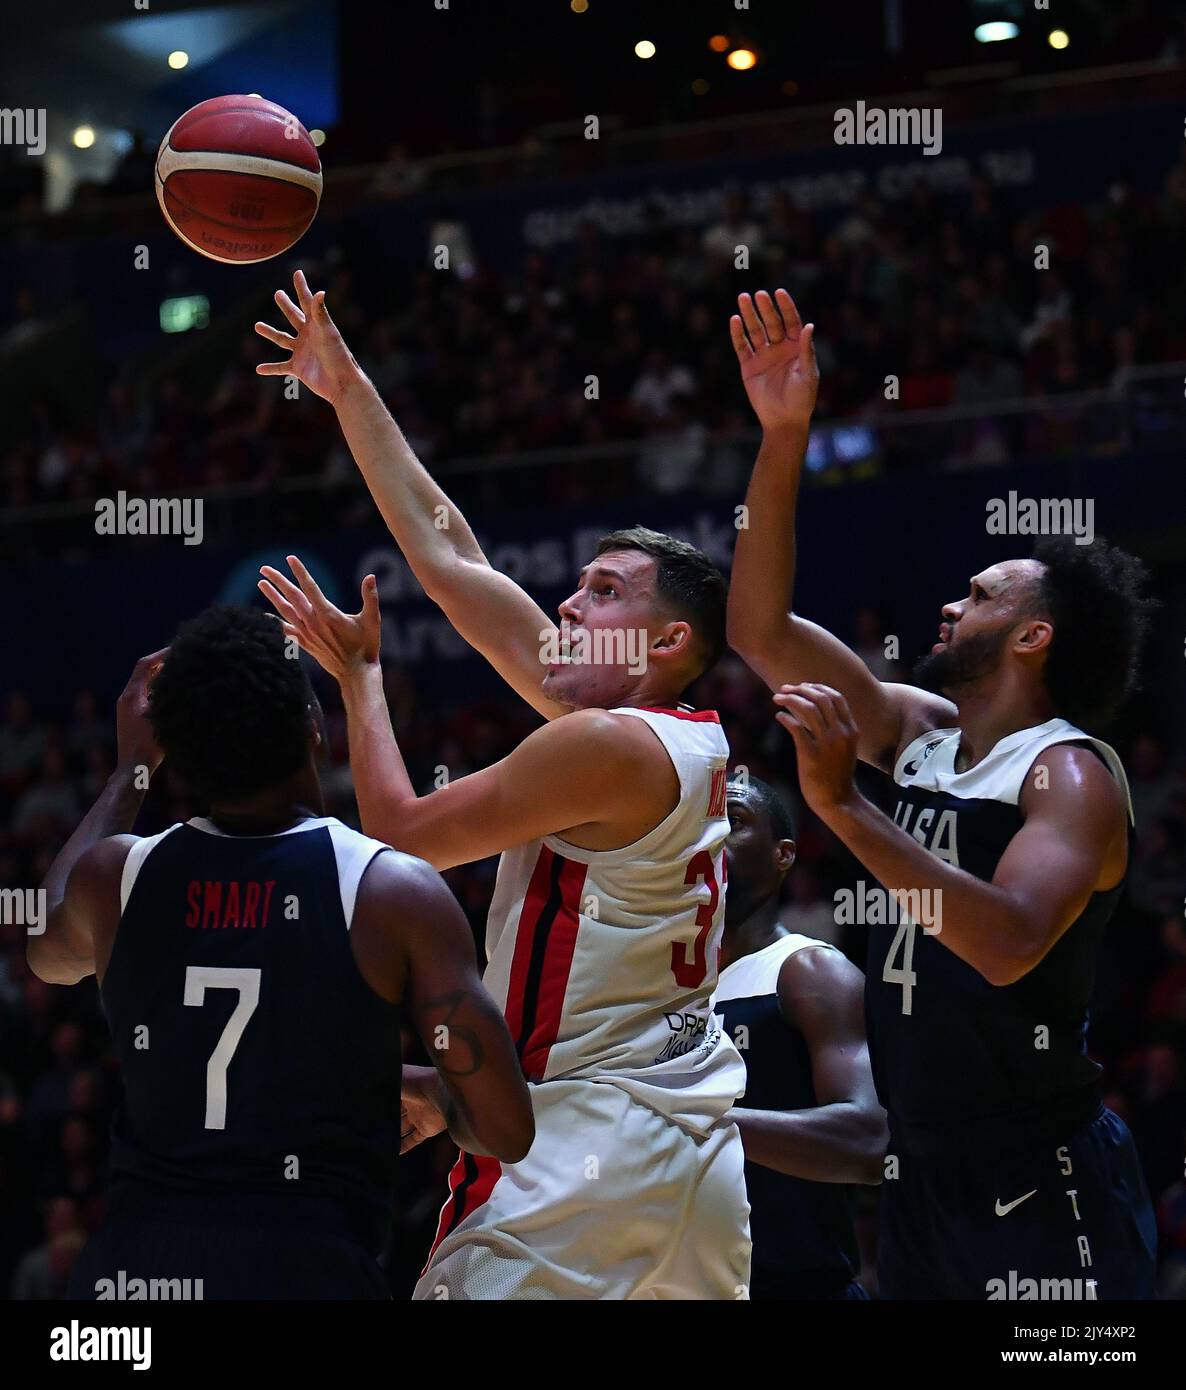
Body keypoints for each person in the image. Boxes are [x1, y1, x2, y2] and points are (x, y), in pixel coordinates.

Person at [252, 271, 750, 1300]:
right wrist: (345, 388)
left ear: (666, 640)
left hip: (573, 1160)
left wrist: (359, 680)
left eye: (601, 591)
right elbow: (446, 549)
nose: (567, 601)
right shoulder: (679, 736)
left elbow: (400, 833)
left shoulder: (602, 745)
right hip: (694, 1157)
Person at [726, 286, 1157, 1300]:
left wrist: (842, 809)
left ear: (1031, 636)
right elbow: (757, 631)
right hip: (918, 1171)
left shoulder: (1069, 774)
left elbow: (1007, 941)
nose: (950, 602)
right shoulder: (919, 731)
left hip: (1039, 1167)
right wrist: (782, 433)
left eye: (980, 595)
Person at [29, 606, 532, 1299]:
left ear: (177, 752)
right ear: (314, 734)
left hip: (133, 1275)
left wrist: (130, 770)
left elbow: (43, 950)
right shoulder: (391, 891)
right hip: (304, 1270)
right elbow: (506, 1128)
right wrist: (434, 1093)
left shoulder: (116, 878)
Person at [715, 777, 886, 1300]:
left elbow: (869, 1139)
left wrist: (698, 1123)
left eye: (734, 821)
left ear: (783, 855)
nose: (710, 835)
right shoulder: (660, 986)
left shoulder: (809, 971)